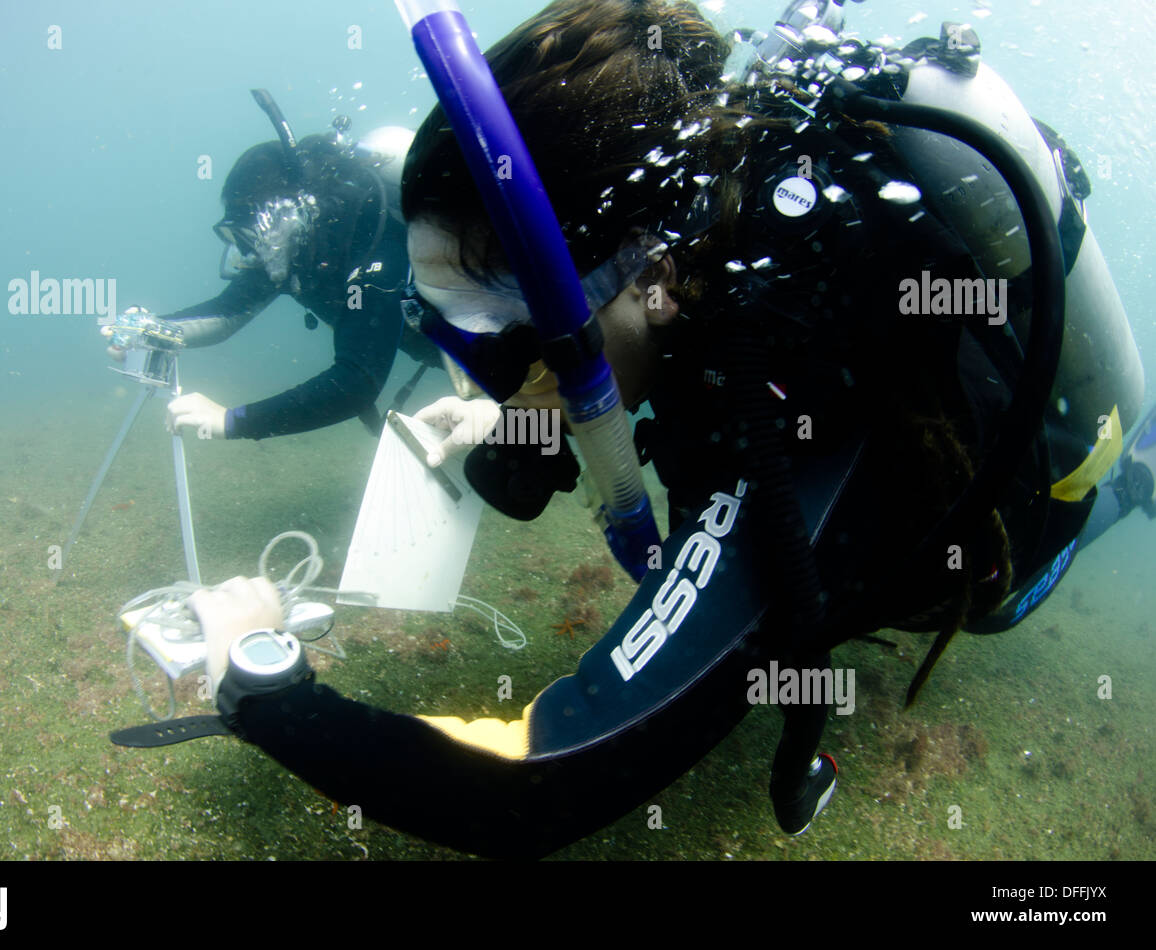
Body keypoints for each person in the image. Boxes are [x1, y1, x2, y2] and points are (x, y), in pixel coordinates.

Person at [114, 0, 1149, 858]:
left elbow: (529, 785)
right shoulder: (702, 287)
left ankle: (1126, 484)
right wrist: (496, 412)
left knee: (994, 602)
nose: (493, 358)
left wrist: (262, 676)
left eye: (500, 317)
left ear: (632, 271)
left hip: (1012, 521)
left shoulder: (787, 398)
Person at [105, 91, 441, 441]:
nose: (253, 253)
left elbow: (355, 384)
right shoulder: (294, 249)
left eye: (254, 235)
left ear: (289, 218)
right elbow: (227, 313)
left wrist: (232, 420)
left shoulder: (376, 249)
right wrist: (149, 330)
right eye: (240, 238)